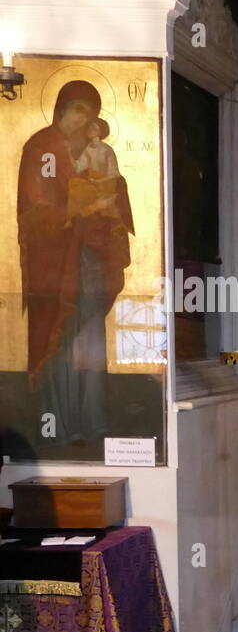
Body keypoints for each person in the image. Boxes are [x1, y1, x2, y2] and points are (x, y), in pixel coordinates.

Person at [17, 81, 134, 443]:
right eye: (79, 109)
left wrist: (110, 196)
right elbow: (34, 212)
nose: (84, 120)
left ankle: (92, 423)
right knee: (56, 340)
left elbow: (110, 190)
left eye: (91, 114)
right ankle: (57, 428)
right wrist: (75, 206)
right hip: (51, 264)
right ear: (61, 109)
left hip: (87, 259)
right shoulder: (40, 147)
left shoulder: (92, 149)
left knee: (89, 339)